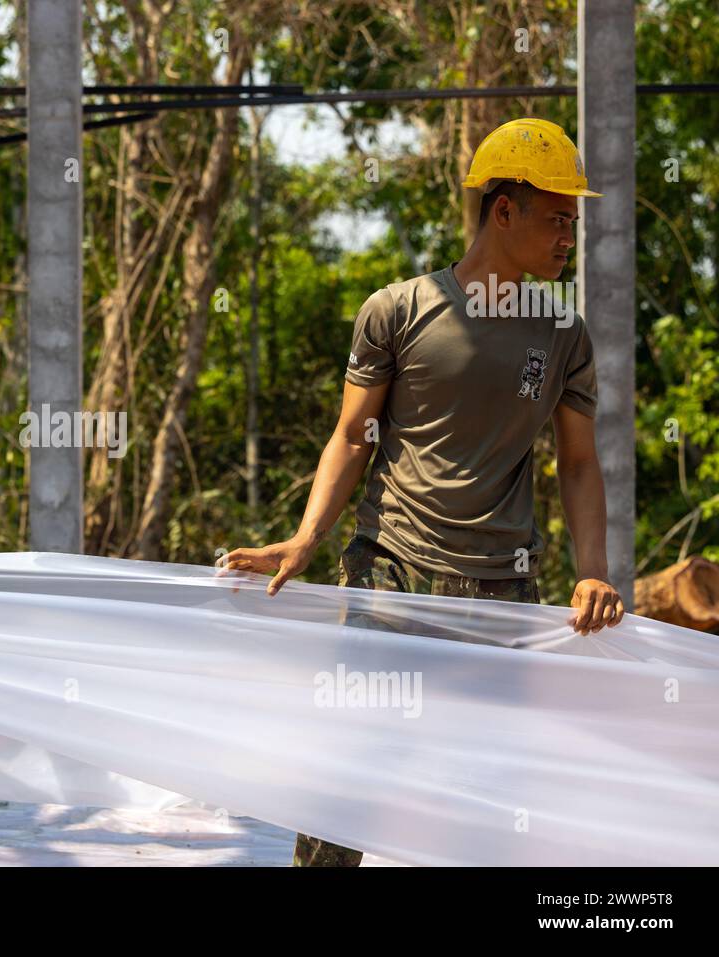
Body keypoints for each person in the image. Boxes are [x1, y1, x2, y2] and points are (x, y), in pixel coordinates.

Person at [218, 118, 626, 867]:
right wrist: (307, 536)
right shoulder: (399, 310)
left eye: (575, 221)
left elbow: (576, 464)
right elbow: (349, 436)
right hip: (389, 578)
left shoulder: (563, 332)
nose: (571, 236)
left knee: (492, 795)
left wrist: (593, 569)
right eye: (558, 218)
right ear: (505, 210)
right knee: (349, 780)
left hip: (501, 595)